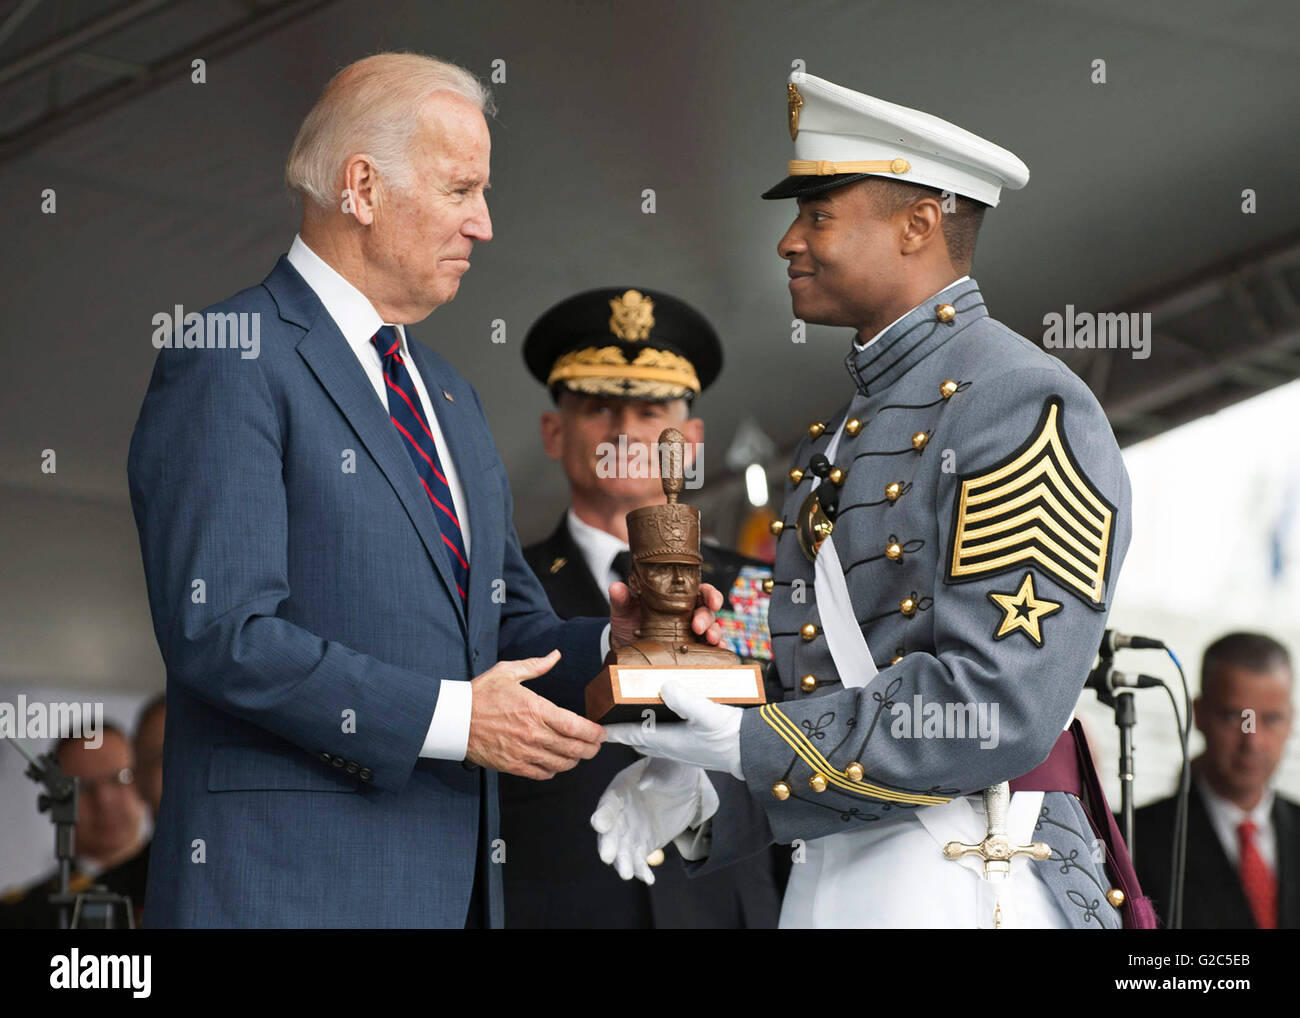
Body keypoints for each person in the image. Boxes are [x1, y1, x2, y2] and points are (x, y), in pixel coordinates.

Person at [126, 53, 722, 928]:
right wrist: (454, 721)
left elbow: (506, 628)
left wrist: (614, 642)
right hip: (285, 896)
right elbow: (222, 632)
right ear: (361, 187)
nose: (484, 225)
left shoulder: (448, 391)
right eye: (461, 190)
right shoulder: (230, 354)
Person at [591, 71, 1152, 929]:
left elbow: (994, 707)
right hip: (846, 881)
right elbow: (833, 690)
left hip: (967, 879)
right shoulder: (848, 427)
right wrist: (715, 790)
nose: (787, 242)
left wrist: (749, 745)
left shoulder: (1022, 402)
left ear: (920, 223)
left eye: (818, 215)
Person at [500, 288, 782, 927]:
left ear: (692, 439)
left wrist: (700, 809)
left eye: (653, 410)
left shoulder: (756, 590)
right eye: (600, 408)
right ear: (553, 431)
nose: (626, 431)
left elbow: (800, 753)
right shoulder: (501, 588)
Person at [1135, 632, 1298, 928]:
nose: (1253, 741)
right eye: (1234, 717)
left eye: (1271, 719)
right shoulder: (1133, 839)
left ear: (1291, 720)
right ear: (1199, 714)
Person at [0, 723, 147, 927]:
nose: (104, 800)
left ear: (143, 780)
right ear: (55, 800)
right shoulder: (22, 916)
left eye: (119, 778)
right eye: (83, 787)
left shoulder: (180, 887)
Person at [95, 694, 166, 925]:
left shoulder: (264, 873)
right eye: (165, 758)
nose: (185, 772)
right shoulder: (107, 893)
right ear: (139, 779)